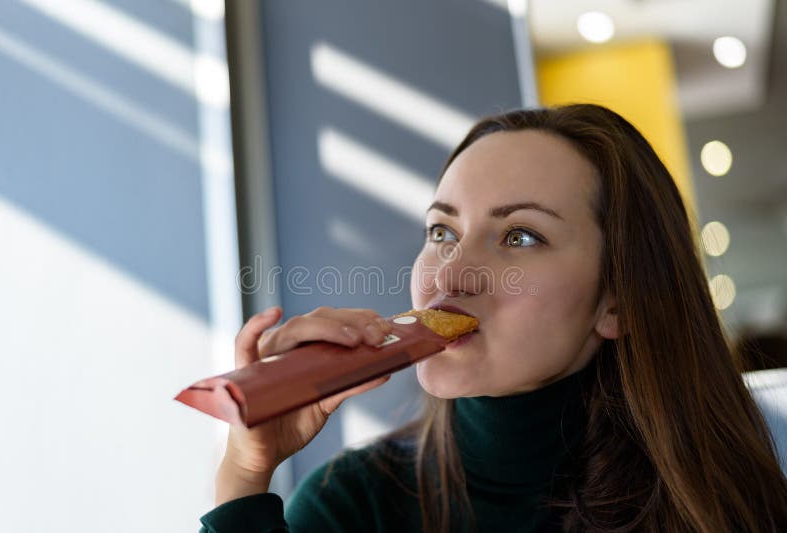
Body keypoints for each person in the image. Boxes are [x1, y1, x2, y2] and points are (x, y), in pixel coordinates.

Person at [198, 104, 787, 532]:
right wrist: (244, 479)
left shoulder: (724, 495)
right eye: (441, 231)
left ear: (619, 300)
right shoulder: (352, 506)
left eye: (520, 236)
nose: (451, 275)